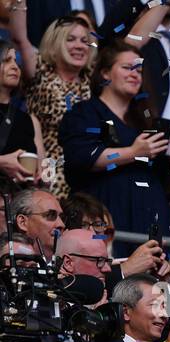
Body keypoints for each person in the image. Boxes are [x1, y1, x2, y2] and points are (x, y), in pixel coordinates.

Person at [60, 39, 170, 237]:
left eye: (139, 71)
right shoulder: (85, 112)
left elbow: (167, 181)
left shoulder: (148, 122)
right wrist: (133, 152)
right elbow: (82, 157)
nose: (135, 75)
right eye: (128, 68)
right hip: (106, 213)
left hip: (151, 218)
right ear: (105, 73)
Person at [10, 9, 93, 200]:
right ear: (55, 43)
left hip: (88, 176)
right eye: (71, 39)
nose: (80, 46)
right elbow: (19, 38)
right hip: (48, 173)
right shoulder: (41, 72)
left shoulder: (92, 81)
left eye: (84, 40)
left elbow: (127, 48)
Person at [0, 42, 43, 190]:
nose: (15, 66)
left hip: (20, 203)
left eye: (16, 61)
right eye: (6, 60)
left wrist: (43, 178)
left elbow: (42, 168)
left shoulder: (30, 120)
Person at [9, 186, 63, 257]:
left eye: (62, 217)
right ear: (23, 222)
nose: (61, 224)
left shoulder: (69, 264)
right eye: (50, 215)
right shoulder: (6, 264)